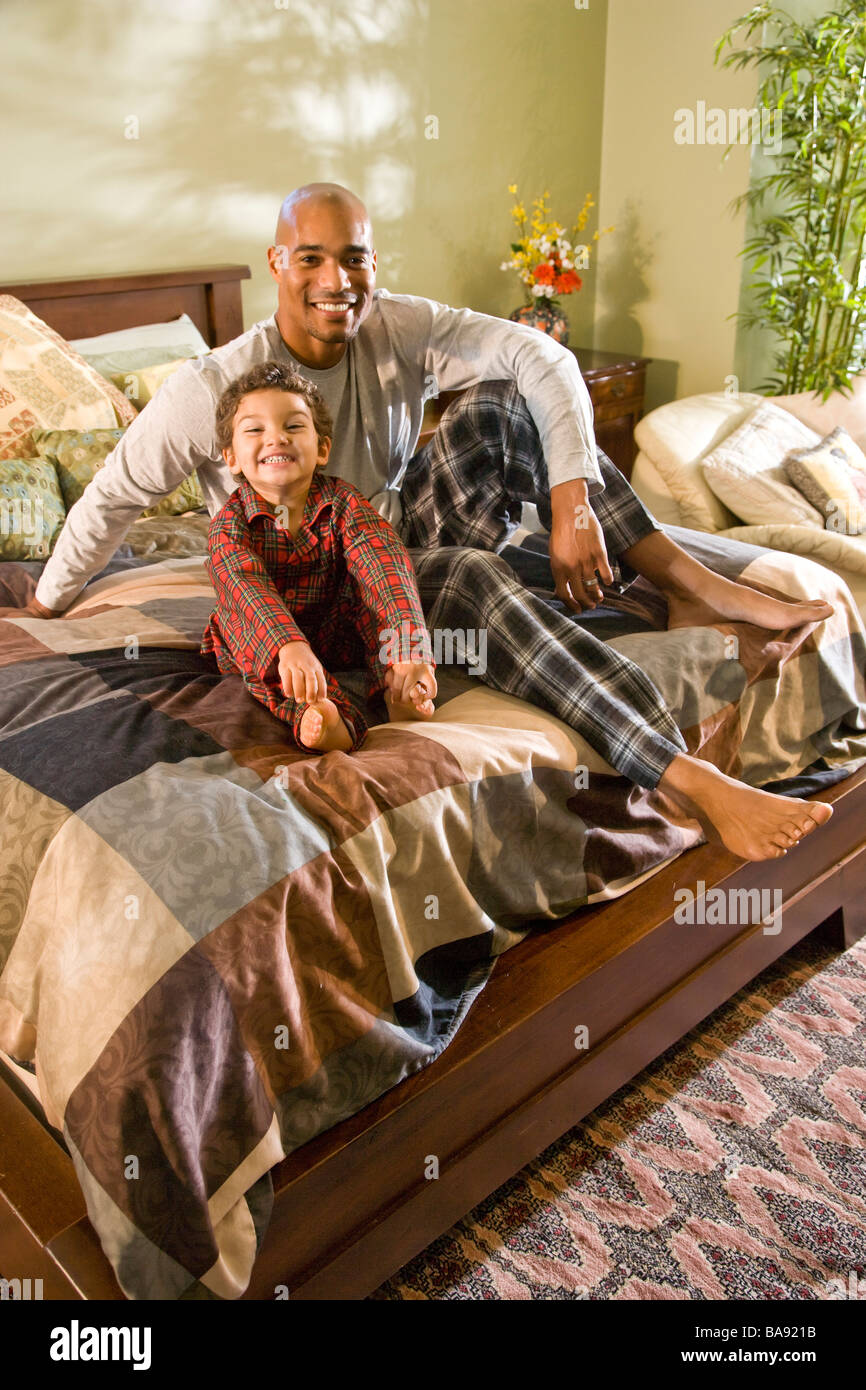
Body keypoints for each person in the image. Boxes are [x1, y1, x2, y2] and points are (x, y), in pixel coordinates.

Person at [11, 182, 834, 859]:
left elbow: (540, 356)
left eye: (354, 256)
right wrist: (47, 600)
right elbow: (115, 494)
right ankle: (684, 775)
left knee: (505, 407)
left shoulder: (395, 324)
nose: (337, 279)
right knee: (472, 577)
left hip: (388, 543)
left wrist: (571, 497)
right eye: (311, 259)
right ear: (275, 266)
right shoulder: (215, 389)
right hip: (305, 594)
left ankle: (692, 586)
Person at [203, 361, 436, 753]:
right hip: (268, 634)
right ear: (232, 458)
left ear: (322, 448)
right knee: (247, 636)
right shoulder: (229, 526)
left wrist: (407, 645)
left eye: (293, 426)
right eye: (255, 430)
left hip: (332, 629)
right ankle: (324, 714)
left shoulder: (343, 502)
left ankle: (397, 685)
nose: (276, 438)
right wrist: (288, 644)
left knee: (372, 592)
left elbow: (384, 564)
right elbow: (245, 586)